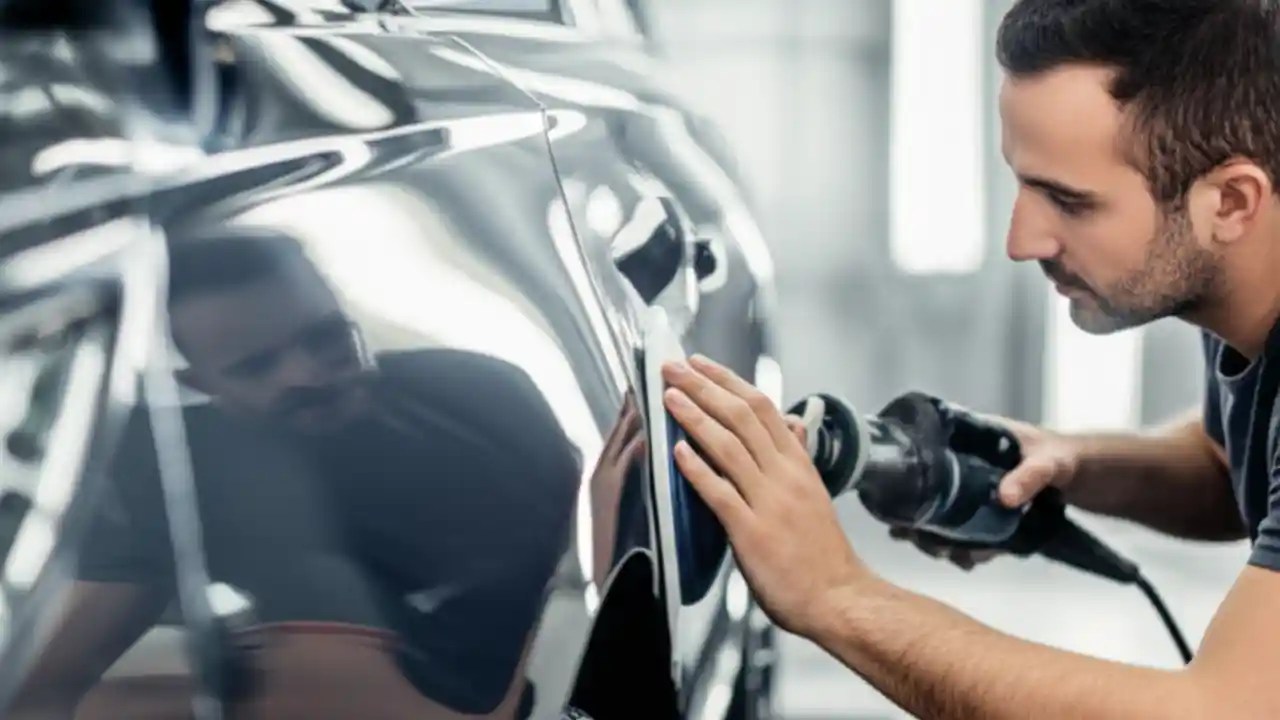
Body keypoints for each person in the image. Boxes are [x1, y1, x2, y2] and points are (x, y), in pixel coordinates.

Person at [660, 1, 1280, 718]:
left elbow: (1223, 712)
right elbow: (1234, 467)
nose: (1022, 241)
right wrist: (1068, 463)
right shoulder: (1236, 280)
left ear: (1233, 201)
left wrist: (835, 594)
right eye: (1021, 181)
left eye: (1069, 202)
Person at [10, 227, 581, 719]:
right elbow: (40, 692)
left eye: (326, 339)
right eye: (257, 366)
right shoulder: (173, 476)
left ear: (348, 314)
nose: (306, 375)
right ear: (202, 386)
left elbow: (597, 544)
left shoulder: (486, 393)